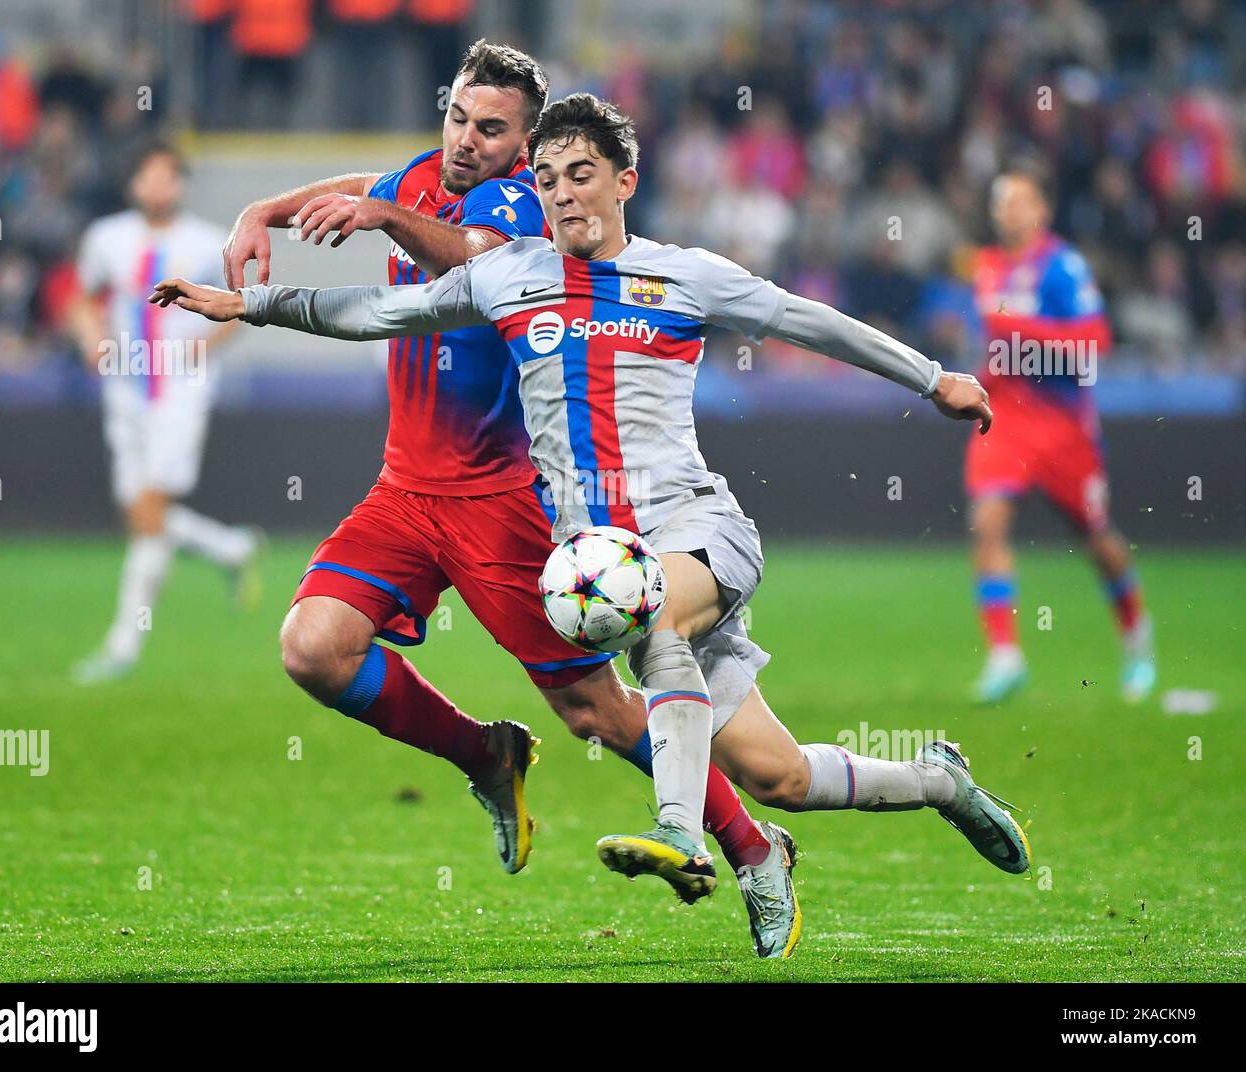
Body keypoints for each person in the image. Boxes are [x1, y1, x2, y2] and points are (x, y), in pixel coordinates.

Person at [152, 93, 1034, 959]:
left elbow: (812, 323)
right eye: (548, 178)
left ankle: (680, 834)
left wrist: (933, 379)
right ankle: (936, 782)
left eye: (582, 175)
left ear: (624, 182)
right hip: (598, 560)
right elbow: (380, 314)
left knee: (653, 626)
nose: (564, 193)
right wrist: (255, 307)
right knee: (781, 776)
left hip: (695, 531)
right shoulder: (510, 277)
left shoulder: (683, 274)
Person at [220, 42, 796, 957]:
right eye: (457, 116)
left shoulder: (526, 217)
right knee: (314, 649)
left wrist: (380, 215)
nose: (464, 141)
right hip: (405, 488)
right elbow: (386, 179)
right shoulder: (424, 176)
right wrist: (264, 208)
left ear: (528, 149)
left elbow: (467, 252)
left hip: (502, 500)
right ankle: (485, 755)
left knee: (596, 712)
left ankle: (754, 847)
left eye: (491, 131)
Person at [66, 143, 261, 685]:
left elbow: (243, 303)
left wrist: (205, 349)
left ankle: (123, 645)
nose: (157, 186)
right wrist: (91, 339)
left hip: (180, 389)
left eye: (167, 177)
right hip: (125, 387)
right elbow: (83, 298)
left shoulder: (206, 241)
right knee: (138, 514)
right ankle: (231, 546)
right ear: (134, 185)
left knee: (150, 508)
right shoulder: (107, 238)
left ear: (181, 186)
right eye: (147, 177)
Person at [966, 168, 1155, 704]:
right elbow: (994, 338)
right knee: (988, 522)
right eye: (1001, 202)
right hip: (1004, 415)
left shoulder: (1063, 266)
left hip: (1063, 425)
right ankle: (1005, 655)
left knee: (1097, 539)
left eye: (1020, 201)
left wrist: (1022, 331)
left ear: (1041, 210)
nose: (1009, 211)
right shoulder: (986, 267)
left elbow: (1095, 341)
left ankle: (1136, 633)